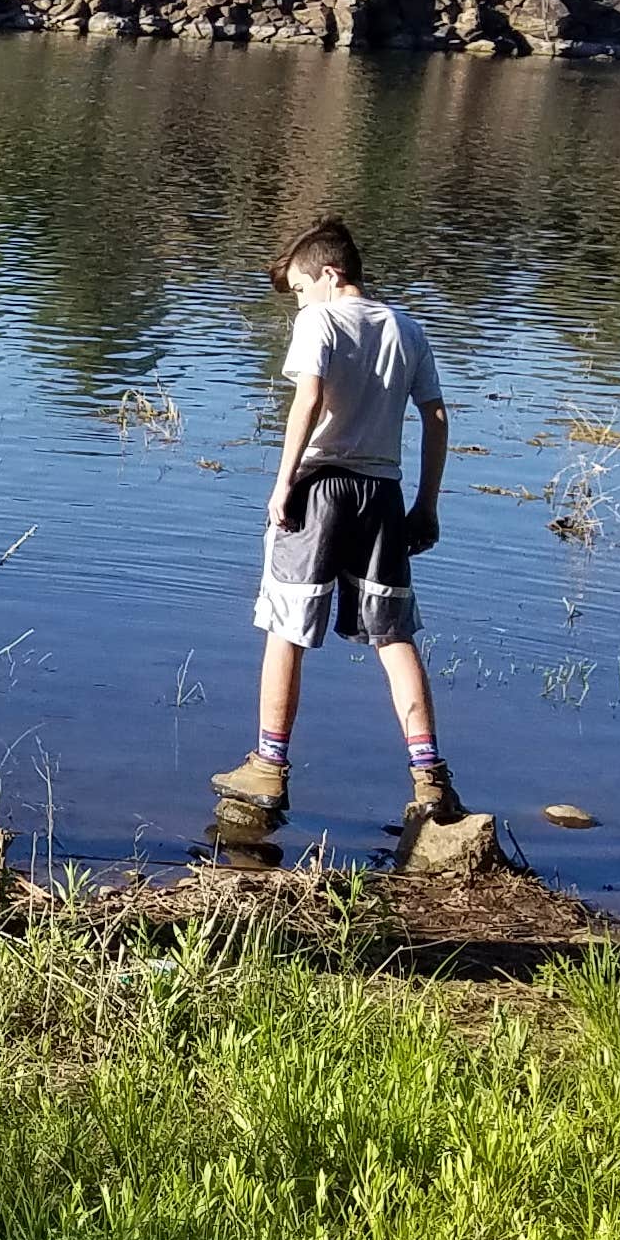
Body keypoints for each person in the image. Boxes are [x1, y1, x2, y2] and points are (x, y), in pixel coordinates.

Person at [209, 216, 461, 832]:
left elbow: (310, 397)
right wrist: (426, 505)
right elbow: (435, 417)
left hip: (320, 488)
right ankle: (431, 781)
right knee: (393, 635)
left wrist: (282, 481)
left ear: (328, 274)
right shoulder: (408, 326)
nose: (297, 301)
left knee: (284, 627)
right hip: (382, 492)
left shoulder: (319, 319)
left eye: (298, 288)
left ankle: (268, 768)